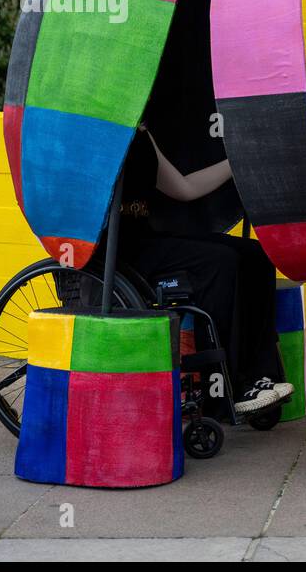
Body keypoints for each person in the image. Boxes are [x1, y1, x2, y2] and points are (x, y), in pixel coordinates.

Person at [112, 121, 293, 417]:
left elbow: (184, 188)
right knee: (220, 263)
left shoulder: (143, 132)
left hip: (148, 240)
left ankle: (263, 375)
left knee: (256, 254)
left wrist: (237, 161)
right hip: (116, 252)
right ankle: (225, 386)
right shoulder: (95, 129)